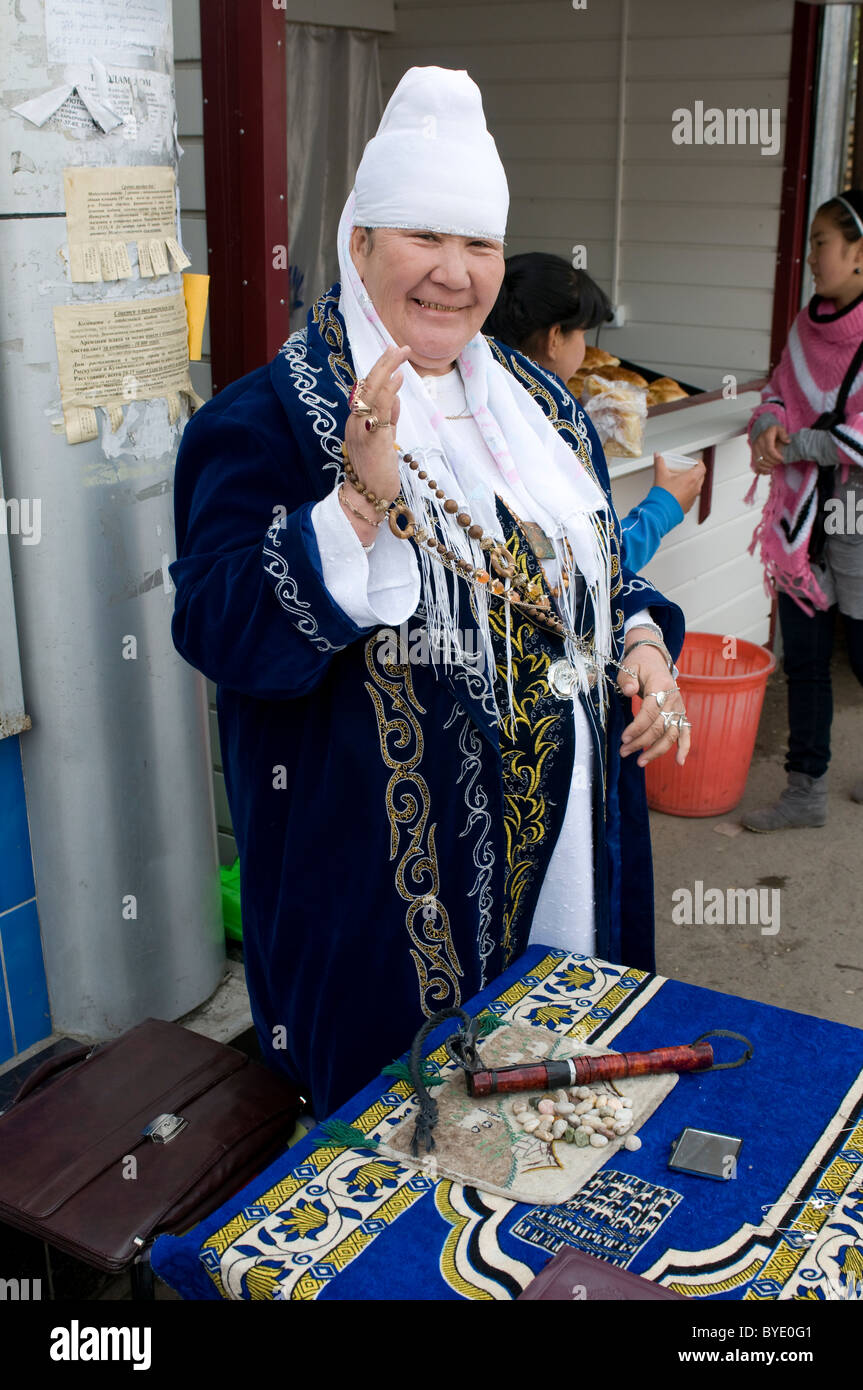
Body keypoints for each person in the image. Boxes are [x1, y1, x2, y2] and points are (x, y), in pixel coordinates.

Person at [170, 67, 688, 1120]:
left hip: (576, 857)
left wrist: (639, 642)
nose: (455, 274)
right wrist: (354, 503)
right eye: (423, 238)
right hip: (383, 911)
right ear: (359, 241)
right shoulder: (262, 421)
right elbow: (218, 626)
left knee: (561, 1124)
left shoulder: (541, 403)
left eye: (480, 244)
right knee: (406, 1175)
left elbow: (598, 569)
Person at [742, 189, 863, 832]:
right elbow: (778, 390)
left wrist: (801, 442)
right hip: (799, 523)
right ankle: (804, 792)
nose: (811, 254)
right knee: (808, 658)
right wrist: (767, 422)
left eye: (821, 241)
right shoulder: (805, 324)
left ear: (859, 252)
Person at [484, 252, 706, 571]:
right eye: (584, 333)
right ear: (555, 338)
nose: (587, 348)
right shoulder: (542, 433)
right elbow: (581, 565)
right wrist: (664, 507)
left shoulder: (488, 402)